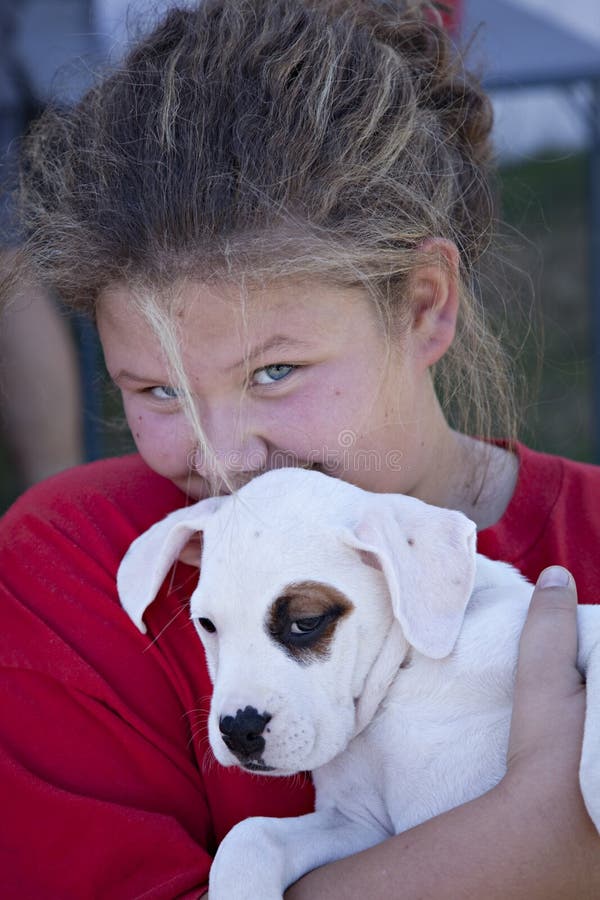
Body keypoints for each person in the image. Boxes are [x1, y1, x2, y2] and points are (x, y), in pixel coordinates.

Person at [1, 1, 599, 896]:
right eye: (157, 391)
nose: (225, 455)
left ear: (425, 306)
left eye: (274, 371)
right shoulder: (74, 568)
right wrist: (536, 841)